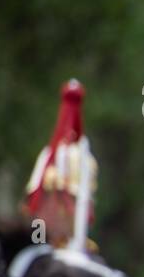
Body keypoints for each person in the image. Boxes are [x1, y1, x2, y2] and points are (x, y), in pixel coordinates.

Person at [21, 79, 98, 251]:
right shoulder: (52, 156)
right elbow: (36, 201)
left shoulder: (57, 155)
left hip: (69, 238)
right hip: (48, 236)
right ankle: (39, 245)